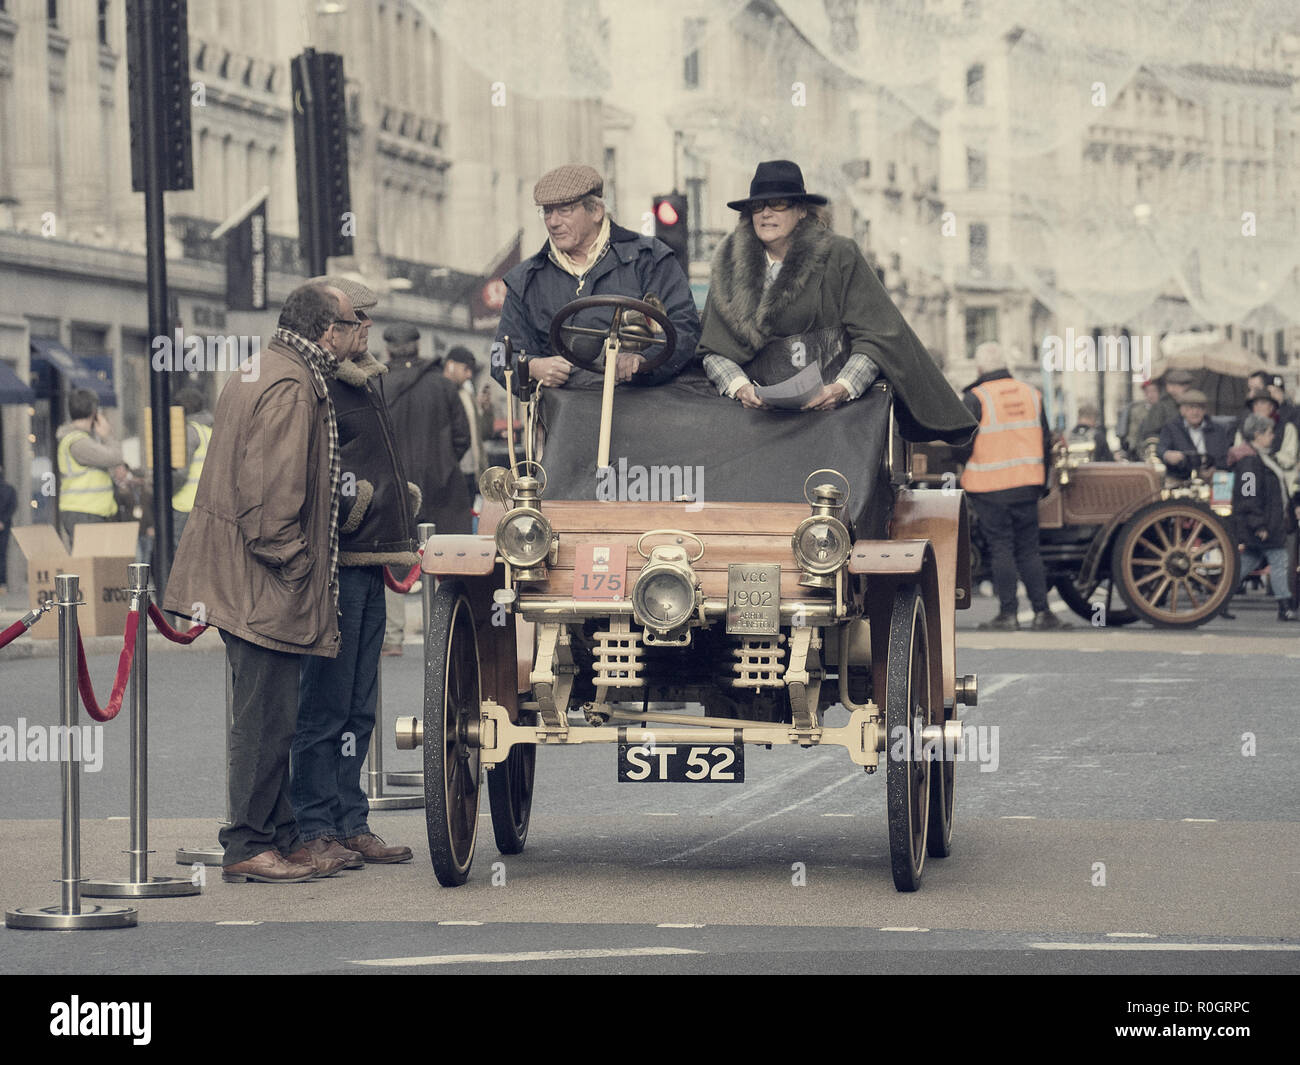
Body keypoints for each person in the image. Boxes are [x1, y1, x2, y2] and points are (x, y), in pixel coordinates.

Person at [163, 282, 357, 884]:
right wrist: (295, 565)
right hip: (262, 577)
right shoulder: (292, 384)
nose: (359, 332)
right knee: (265, 718)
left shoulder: (264, 367)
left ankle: (277, 838)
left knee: (270, 712)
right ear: (326, 330)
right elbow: (270, 497)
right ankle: (247, 843)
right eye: (352, 322)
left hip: (244, 574)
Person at [696, 160, 974, 435]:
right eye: (758, 206)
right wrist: (740, 388)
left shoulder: (840, 254)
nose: (766, 213)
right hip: (755, 422)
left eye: (779, 204)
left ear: (802, 210)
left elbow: (877, 337)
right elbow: (713, 350)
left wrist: (841, 388)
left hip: (835, 419)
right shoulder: (729, 266)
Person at [291, 277, 417, 866]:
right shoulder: (320, 382)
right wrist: (361, 502)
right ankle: (315, 822)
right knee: (326, 704)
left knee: (360, 704)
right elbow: (315, 470)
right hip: (338, 561)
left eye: (365, 322)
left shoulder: (366, 380)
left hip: (371, 557)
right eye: (357, 322)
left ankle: (350, 819)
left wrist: (398, 499)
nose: (365, 332)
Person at [491, 163, 701, 390]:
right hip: (565, 415)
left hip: (644, 408)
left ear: (596, 211)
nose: (552, 221)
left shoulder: (649, 259)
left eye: (565, 210)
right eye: (547, 211)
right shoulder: (525, 280)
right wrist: (532, 367)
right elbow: (499, 359)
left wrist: (644, 360)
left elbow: (684, 328)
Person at [957, 341, 1068, 631]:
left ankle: (1008, 614)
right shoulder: (1032, 393)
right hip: (1027, 484)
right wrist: (1041, 480)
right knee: (1029, 549)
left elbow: (962, 443)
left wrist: (962, 464)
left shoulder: (976, 397)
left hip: (989, 485)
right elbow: (1045, 439)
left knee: (1001, 548)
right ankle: (1043, 613)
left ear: (980, 368)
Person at [381, 322, 470, 655]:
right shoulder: (443, 386)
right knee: (448, 560)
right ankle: (447, 632)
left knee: (391, 557)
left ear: (388, 350)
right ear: (419, 348)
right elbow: (462, 436)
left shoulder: (377, 384)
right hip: (444, 486)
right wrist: (444, 461)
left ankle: (393, 637)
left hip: (396, 487)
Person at [1224, 413, 1298, 622]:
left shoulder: (1260, 458)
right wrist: (1258, 525)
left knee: (1247, 562)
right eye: (1269, 432)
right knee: (1279, 560)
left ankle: (1220, 597)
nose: (1273, 436)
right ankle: (1284, 606)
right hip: (1263, 524)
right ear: (1257, 434)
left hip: (1266, 522)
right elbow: (1248, 496)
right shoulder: (1250, 461)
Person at [56, 387, 127, 542]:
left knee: (96, 564)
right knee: (88, 565)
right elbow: (115, 456)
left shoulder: (83, 440)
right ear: (94, 411)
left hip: (89, 512)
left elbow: (108, 462)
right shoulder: (78, 442)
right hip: (84, 513)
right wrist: (108, 435)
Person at [169, 387, 212, 554]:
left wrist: (164, 493)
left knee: (181, 555)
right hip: (204, 504)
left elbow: (180, 472)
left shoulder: (187, 432)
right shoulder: (208, 431)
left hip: (183, 504)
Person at [1233, 389, 1299, 492]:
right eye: (1255, 404)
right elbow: (1237, 453)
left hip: (1280, 479)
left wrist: (1268, 460)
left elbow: (1289, 457)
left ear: (1272, 407)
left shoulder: (1287, 428)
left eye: (1263, 403)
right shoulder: (1243, 429)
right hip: (1251, 476)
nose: (1258, 407)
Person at [1157, 389, 1230, 479]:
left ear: (1204, 411)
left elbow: (1226, 456)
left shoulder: (1217, 430)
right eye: (1190, 408)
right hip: (1180, 477)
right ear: (1182, 410)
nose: (1195, 412)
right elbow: (1160, 448)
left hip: (1211, 477)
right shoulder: (1171, 428)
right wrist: (1167, 454)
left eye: (1199, 408)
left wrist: (1214, 469)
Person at [444, 346, 484, 505]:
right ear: (451, 365)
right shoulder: (440, 393)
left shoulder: (467, 395)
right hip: (452, 474)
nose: (469, 375)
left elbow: (480, 434)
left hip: (470, 474)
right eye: (466, 369)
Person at [1137, 368, 1196, 446]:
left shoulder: (1193, 404)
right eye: (1181, 384)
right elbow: (1150, 434)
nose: (1186, 388)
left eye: (1187, 384)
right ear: (1169, 387)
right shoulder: (1161, 406)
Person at [1118, 379, 1160, 459]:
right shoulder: (1137, 411)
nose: (1151, 395)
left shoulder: (1164, 410)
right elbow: (1133, 432)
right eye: (1148, 392)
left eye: (1154, 391)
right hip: (1141, 449)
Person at [0, 464, 15, 595]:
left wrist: (2, 521)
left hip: (3, 528)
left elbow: (12, 507)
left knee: (2, 555)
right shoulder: (9, 489)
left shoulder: (8, 489)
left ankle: (2, 584)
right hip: (4, 525)